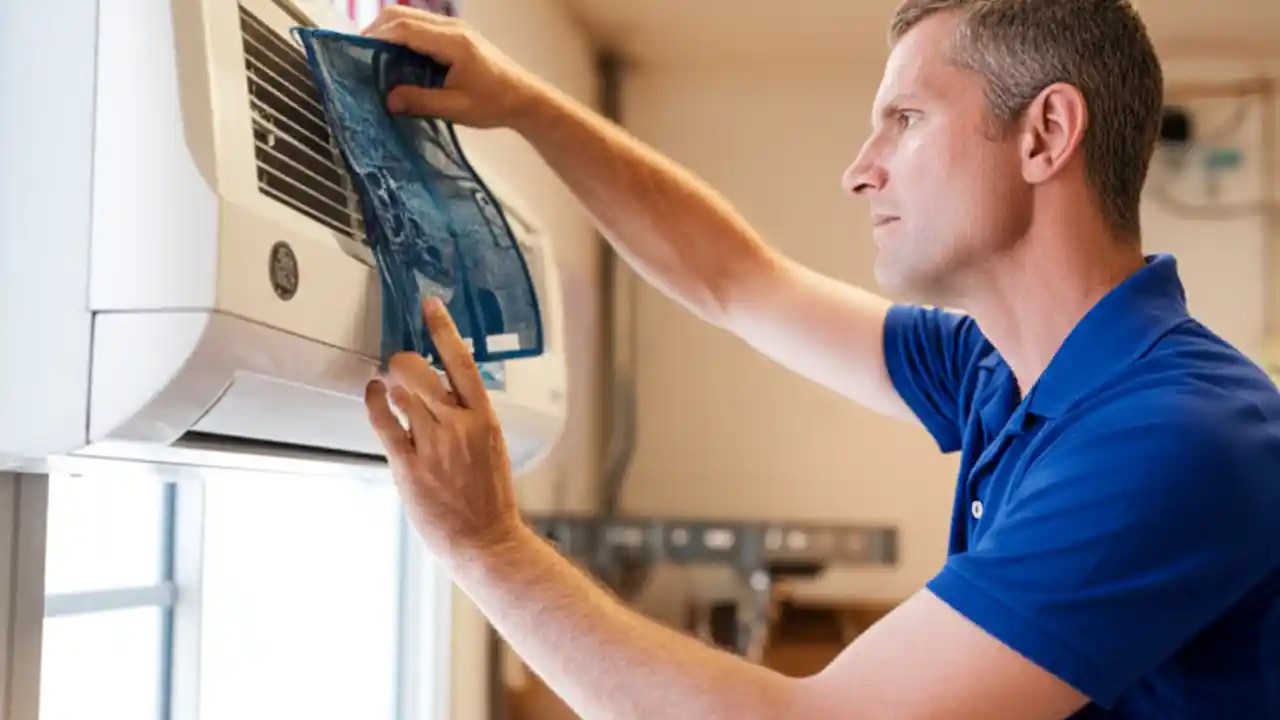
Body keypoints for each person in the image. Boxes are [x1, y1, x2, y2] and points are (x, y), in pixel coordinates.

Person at [359, 1, 1280, 717]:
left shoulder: (1173, 437)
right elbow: (735, 281)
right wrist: (522, 104)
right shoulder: (1000, 369)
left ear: (1045, 133)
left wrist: (487, 546)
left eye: (906, 120)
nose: (860, 169)